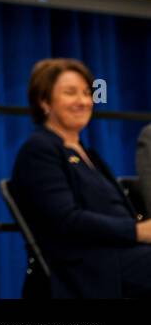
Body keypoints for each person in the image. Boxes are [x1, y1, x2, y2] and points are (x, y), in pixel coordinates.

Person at [10, 58, 151, 298]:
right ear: (44, 102)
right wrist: (135, 231)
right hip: (86, 268)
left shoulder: (88, 154)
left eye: (87, 93)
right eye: (70, 93)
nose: (83, 101)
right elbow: (66, 220)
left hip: (121, 256)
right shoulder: (39, 150)